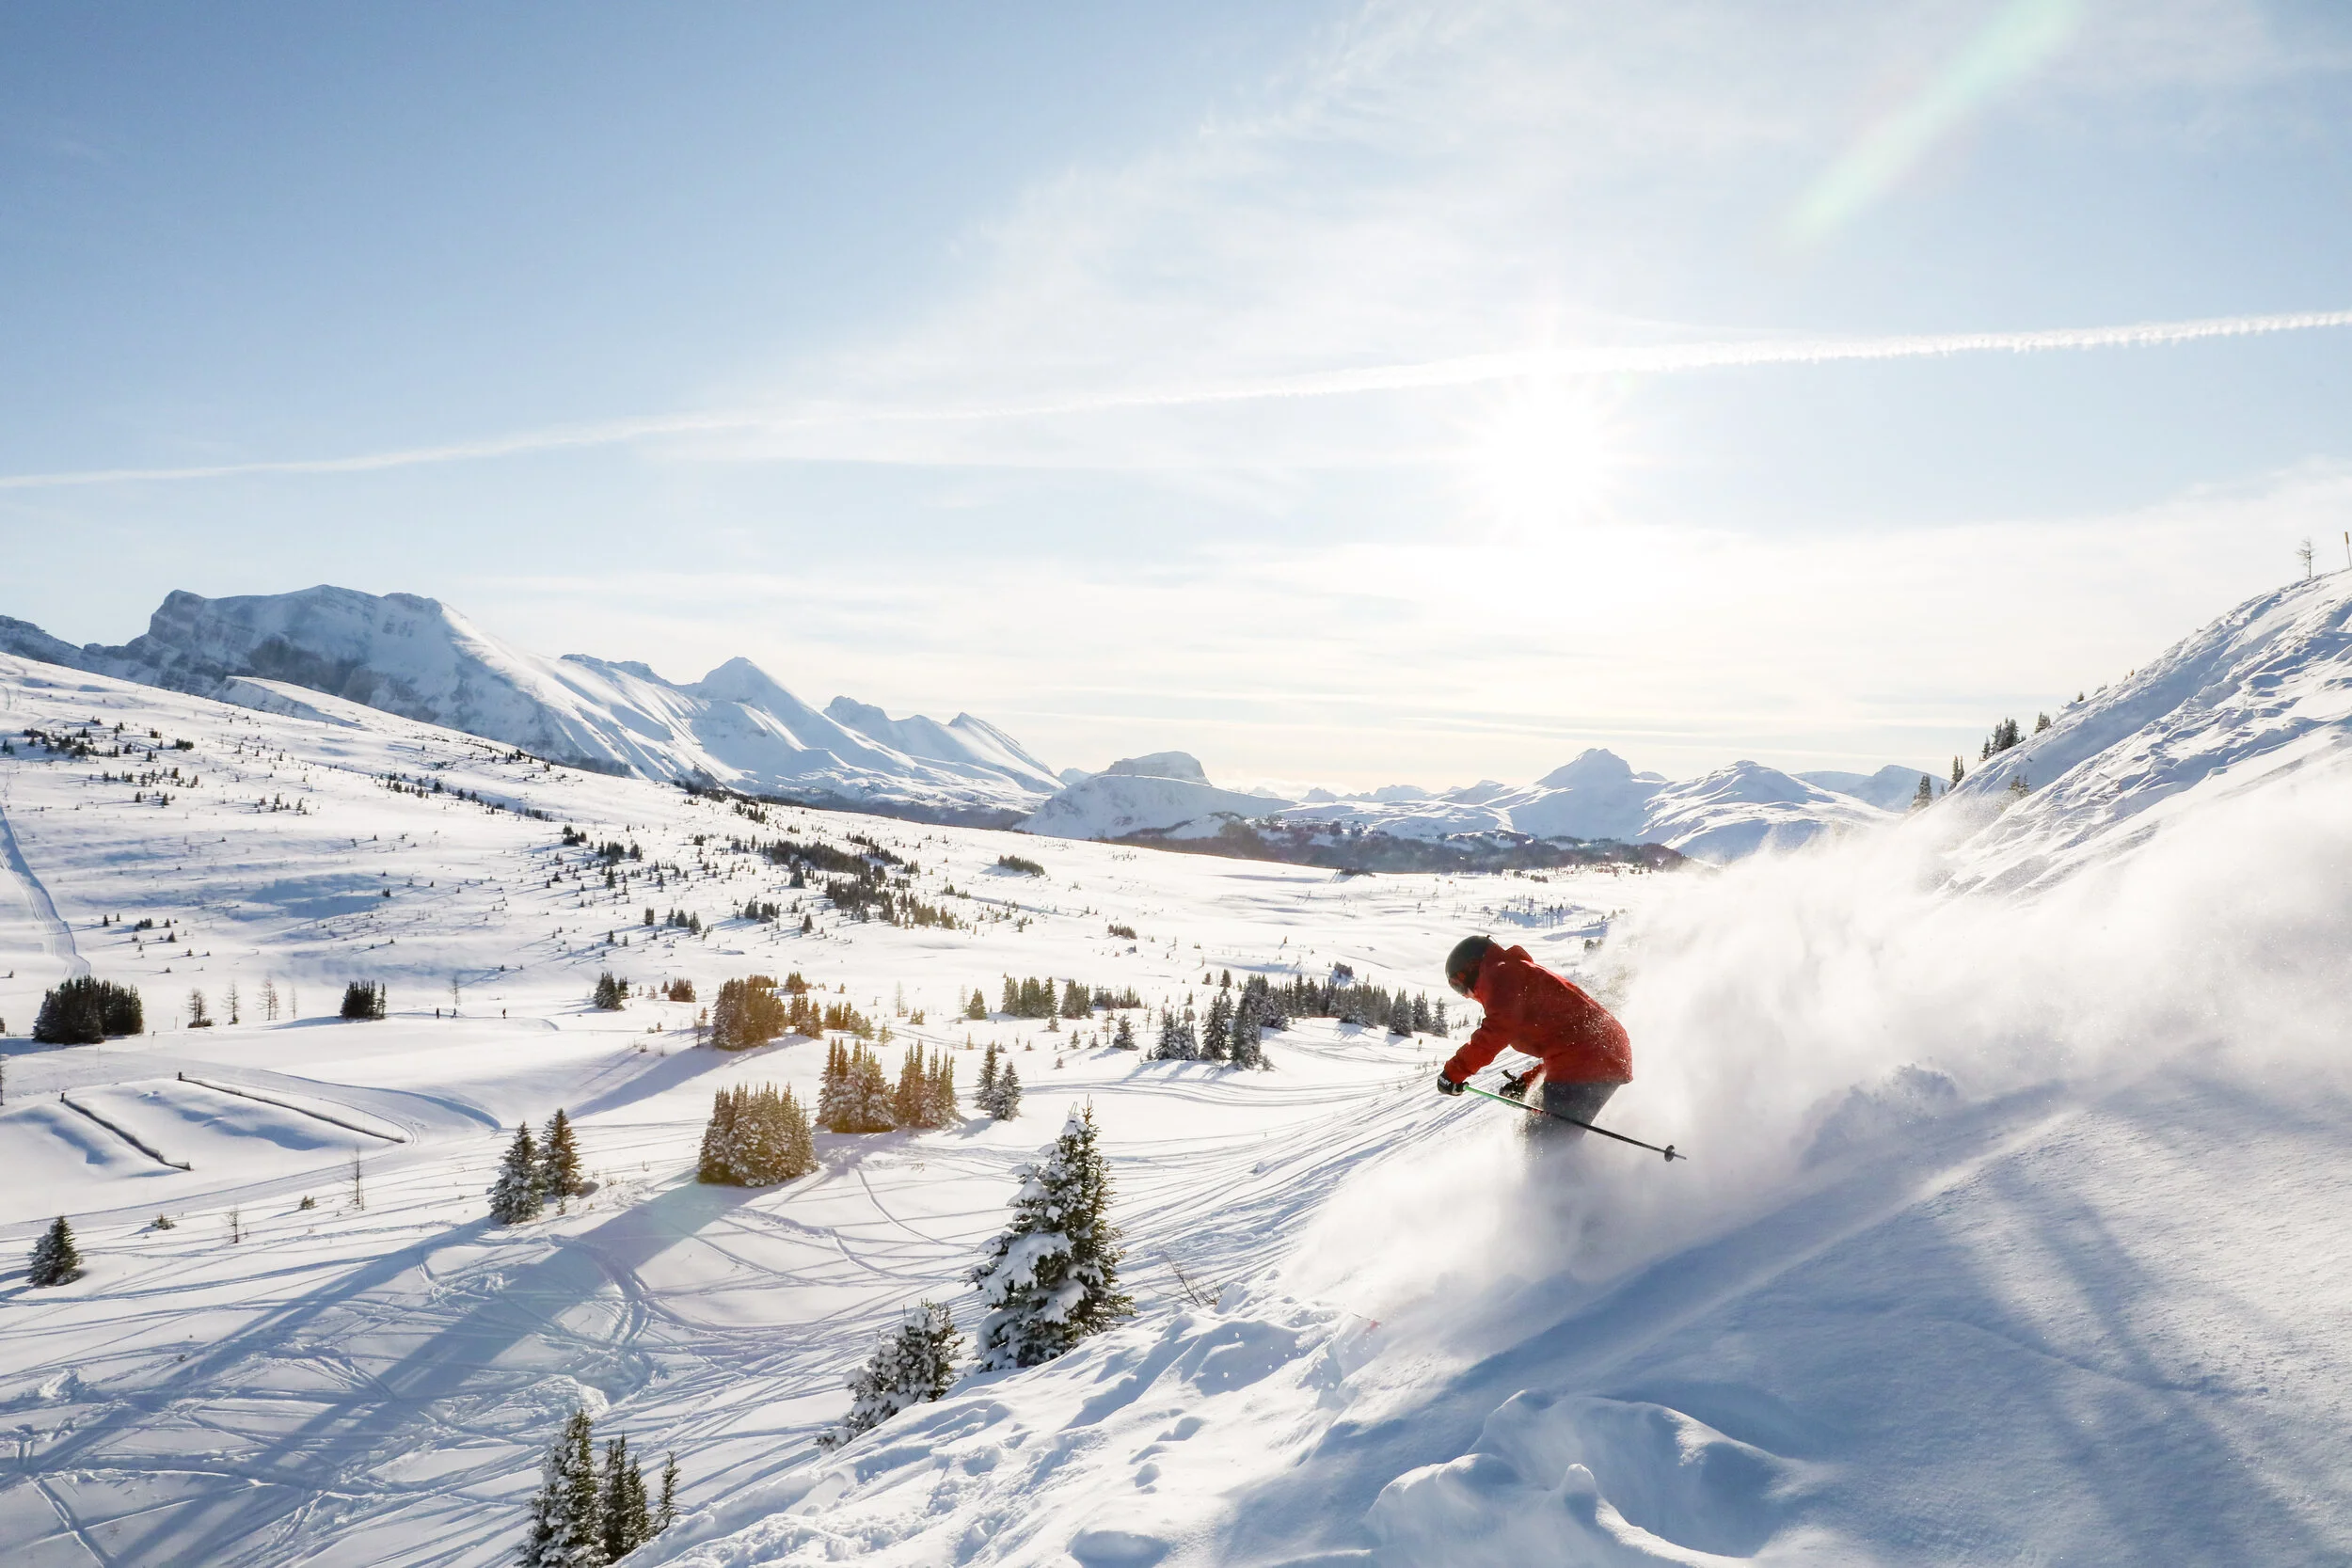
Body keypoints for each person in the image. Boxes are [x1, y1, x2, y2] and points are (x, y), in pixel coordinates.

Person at [1435, 934, 1630, 1134]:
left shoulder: (1500, 973)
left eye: (1458, 986)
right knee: (1532, 1131)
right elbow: (1567, 1040)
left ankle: (1560, 1165)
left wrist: (1454, 1072)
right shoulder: (1514, 971)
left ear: (1470, 969)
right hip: (1597, 1052)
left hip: (1591, 1057)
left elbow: (1498, 1028)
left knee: (1540, 1141)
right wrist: (1528, 1081)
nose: (1466, 995)